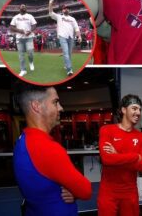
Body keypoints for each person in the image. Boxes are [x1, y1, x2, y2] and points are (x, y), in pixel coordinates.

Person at [13, 82, 92, 215]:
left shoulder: (21, 141)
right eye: (55, 102)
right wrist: (73, 190)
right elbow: (86, 190)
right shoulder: (49, 148)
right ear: (36, 106)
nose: (60, 108)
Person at [97, 94, 142, 216]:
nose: (138, 112)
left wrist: (117, 155)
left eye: (140, 109)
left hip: (130, 193)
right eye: (134, 108)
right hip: (108, 192)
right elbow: (107, 159)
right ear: (124, 110)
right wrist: (135, 157)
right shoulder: (106, 130)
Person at [48, 0, 82, 76]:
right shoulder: (59, 17)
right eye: (64, 9)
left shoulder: (72, 19)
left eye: (67, 8)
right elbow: (50, 12)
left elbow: (76, 28)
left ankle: (66, 65)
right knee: (66, 52)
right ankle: (69, 70)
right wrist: (50, 3)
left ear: (69, 10)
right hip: (62, 36)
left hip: (71, 37)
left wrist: (79, 36)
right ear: (62, 10)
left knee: (69, 53)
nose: (65, 10)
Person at [9, 4, 37, 77]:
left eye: (24, 7)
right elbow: (11, 27)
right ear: (19, 8)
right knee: (21, 55)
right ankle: (23, 70)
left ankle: (31, 62)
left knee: (30, 52)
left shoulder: (30, 16)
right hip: (19, 38)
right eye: (22, 6)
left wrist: (30, 31)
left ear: (26, 9)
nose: (23, 7)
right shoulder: (16, 17)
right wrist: (19, 30)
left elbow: (34, 25)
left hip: (29, 37)